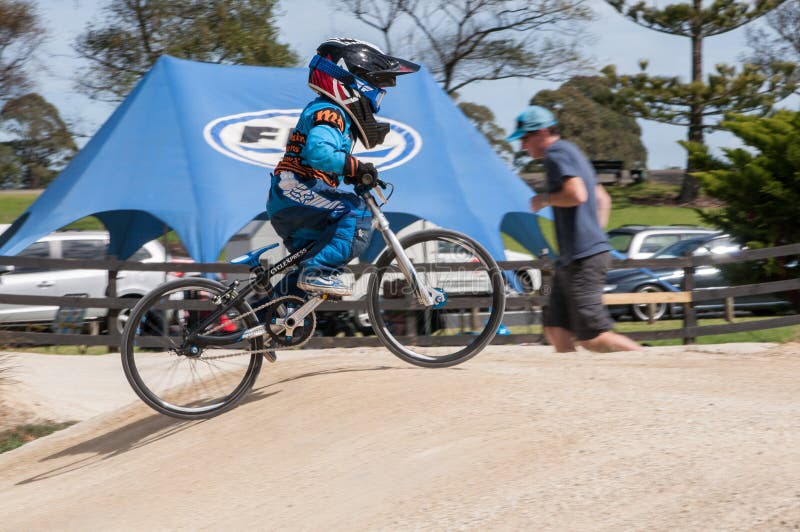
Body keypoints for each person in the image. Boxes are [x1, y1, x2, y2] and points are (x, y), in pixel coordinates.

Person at [267, 37, 420, 296]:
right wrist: (355, 167)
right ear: (353, 82)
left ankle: (268, 321)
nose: (378, 92)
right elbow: (320, 152)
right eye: (375, 83)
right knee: (356, 213)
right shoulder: (330, 112)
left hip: (294, 197)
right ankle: (318, 272)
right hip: (295, 188)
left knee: (309, 275)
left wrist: (351, 174)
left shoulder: (331, 112)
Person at [507, 105, 641, 352]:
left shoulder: (556, 154)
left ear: (543, 132)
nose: (523, 146)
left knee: (592, 336)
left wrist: (544, 199)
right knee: (555, 328)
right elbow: (602, 199)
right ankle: (573, 383)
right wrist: (595, 237)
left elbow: (577, 195)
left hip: (583, 258)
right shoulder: (573, 152)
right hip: (573, 257)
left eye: (525, 138)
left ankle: (645, 362)